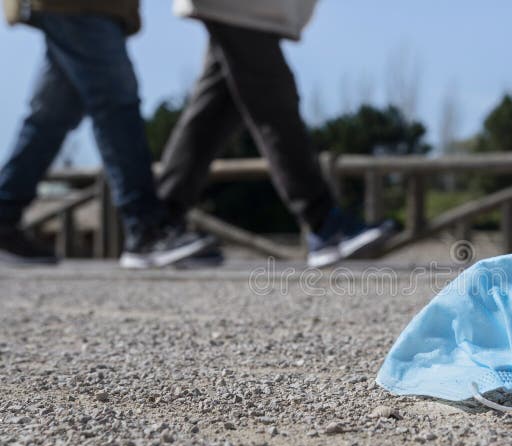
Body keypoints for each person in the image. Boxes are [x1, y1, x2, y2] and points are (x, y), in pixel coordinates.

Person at [160, 0, 393, 267]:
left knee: (216, 109)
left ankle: (159, 223)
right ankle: (323, 222)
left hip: (246, 8)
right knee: (274, 102)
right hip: (241, 8)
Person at [0, 0, 213, 268]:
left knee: (50, 119)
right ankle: (145, 228)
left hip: (81, 8)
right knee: (117, 109)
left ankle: (4, 216)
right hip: (85, 6)